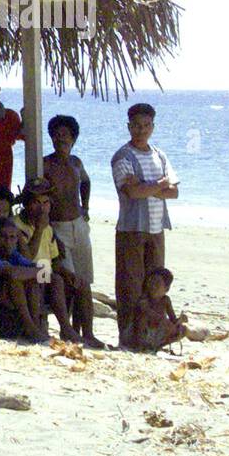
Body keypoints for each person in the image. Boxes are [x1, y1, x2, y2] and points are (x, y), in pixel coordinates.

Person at [112, 102, 178, 348]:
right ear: (129, 126)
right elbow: (132, 192)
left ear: (153, 126)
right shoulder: (122, 156)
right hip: (131, 229)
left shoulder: (159, 155)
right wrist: (159, 184)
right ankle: (128, 337)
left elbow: (175, 192)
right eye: (136, 126)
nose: (141, 130)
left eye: (146, 125)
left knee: (156, 287)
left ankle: (153, 337)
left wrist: (148, 186)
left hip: (156, 228)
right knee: (130, 285)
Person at [43, 114, 103, 347]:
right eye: (57, 135)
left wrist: (85, 206)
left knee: (85, 281)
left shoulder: (77, 163)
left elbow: (86, 182)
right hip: (57, 227)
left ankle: (86, 332)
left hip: (78, 224)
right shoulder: (45, 163)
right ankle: (67, 330)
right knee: (68, 280)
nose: (61, 139)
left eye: (66, 135)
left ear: (73, 138)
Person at [14, 178, 80, 342]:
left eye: (45, 203)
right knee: (44, 280)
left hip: (44, 272)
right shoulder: (16, 225)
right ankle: (35, 328)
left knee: (77, 283)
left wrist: (67, 273)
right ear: (27, 204)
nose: (42, 208)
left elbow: (54, 260)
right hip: (25, 272)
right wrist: (39, 230)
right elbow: (27, 257)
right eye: (36, 203)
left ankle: (70, 329)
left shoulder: (48, 228)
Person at [132, 267, 191, 351]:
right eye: (151, 282)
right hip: (143, 332)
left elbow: (173, 320)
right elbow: (147, 312)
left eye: (157, 284)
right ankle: (139, 346)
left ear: (166, 289)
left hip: (158, 333)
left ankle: (158, 345)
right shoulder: (144, 299)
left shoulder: (166, 300)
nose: (153, 286)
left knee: (183, 329)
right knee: (143, 318)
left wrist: (180, 320)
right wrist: (163, 321)